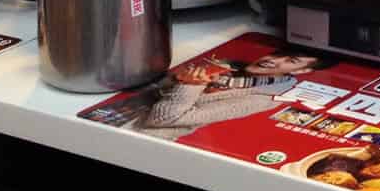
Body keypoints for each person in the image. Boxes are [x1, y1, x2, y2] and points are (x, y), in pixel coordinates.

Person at [140, 50, 327, 140]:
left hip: (147, 140)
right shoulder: (226, 66)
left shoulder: (262, 99)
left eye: (291, 61)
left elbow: (162, 119)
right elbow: (153, 88)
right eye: (277, 54)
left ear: (302, 71)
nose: (272, 60)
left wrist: (190, 84)